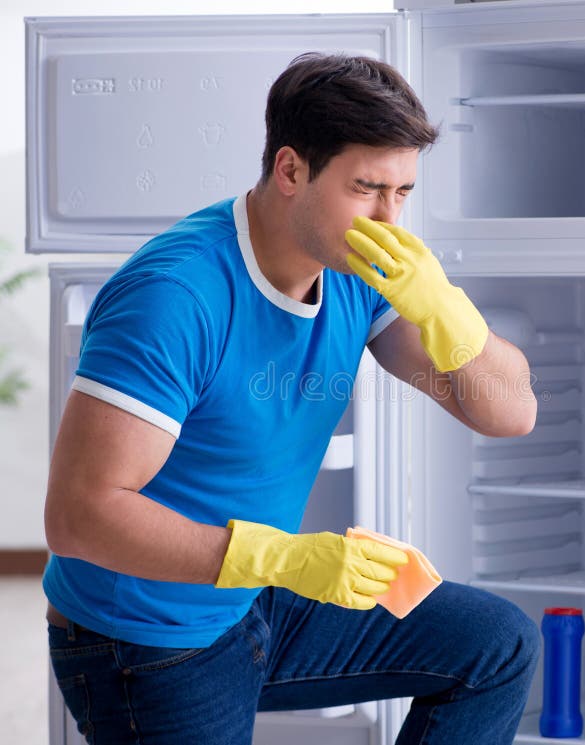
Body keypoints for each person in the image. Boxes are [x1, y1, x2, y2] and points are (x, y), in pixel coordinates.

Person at [43, 52, 540, 744]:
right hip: (148, 639)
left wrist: (449, 313)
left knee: (495, 645)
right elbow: (78, 516)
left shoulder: (361, 269)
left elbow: (510, 413)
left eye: (403, 192)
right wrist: (285, 558)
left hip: (255, 601)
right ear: (290, 170)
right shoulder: (176, 297)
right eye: (367, 188)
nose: (389, 221)